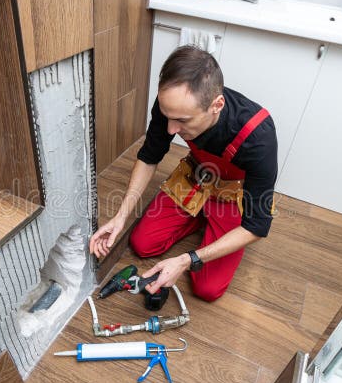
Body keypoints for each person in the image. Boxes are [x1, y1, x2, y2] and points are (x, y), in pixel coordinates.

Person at [89, 45, 278, 301]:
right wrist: (121, 217)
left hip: (232, 195)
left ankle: (208, 219)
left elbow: (256, 227)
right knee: (143, 244)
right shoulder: (172, 105)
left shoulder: (258, 136)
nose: (170, 129)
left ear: (216, 105)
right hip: (197, 179)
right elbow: (149, 157)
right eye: (167, 116)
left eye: (182, 121)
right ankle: (200, 217)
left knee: (207, 289)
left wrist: (187, 260)